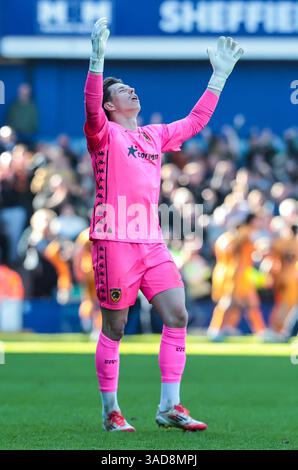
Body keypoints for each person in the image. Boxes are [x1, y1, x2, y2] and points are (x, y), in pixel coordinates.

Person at [84, 17, 244, 432]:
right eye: (122, 91)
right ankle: (110, 411)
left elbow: (194, 123)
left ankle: (170, 407)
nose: (132, 91)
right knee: (115, 326)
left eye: (131, 88)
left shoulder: (154, 136)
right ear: (109, 106)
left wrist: (219, 77)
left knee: (177, 314)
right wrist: (96, 63)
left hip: (150, 240)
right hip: (113, 238)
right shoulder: (103, 134)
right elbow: (89, 104)